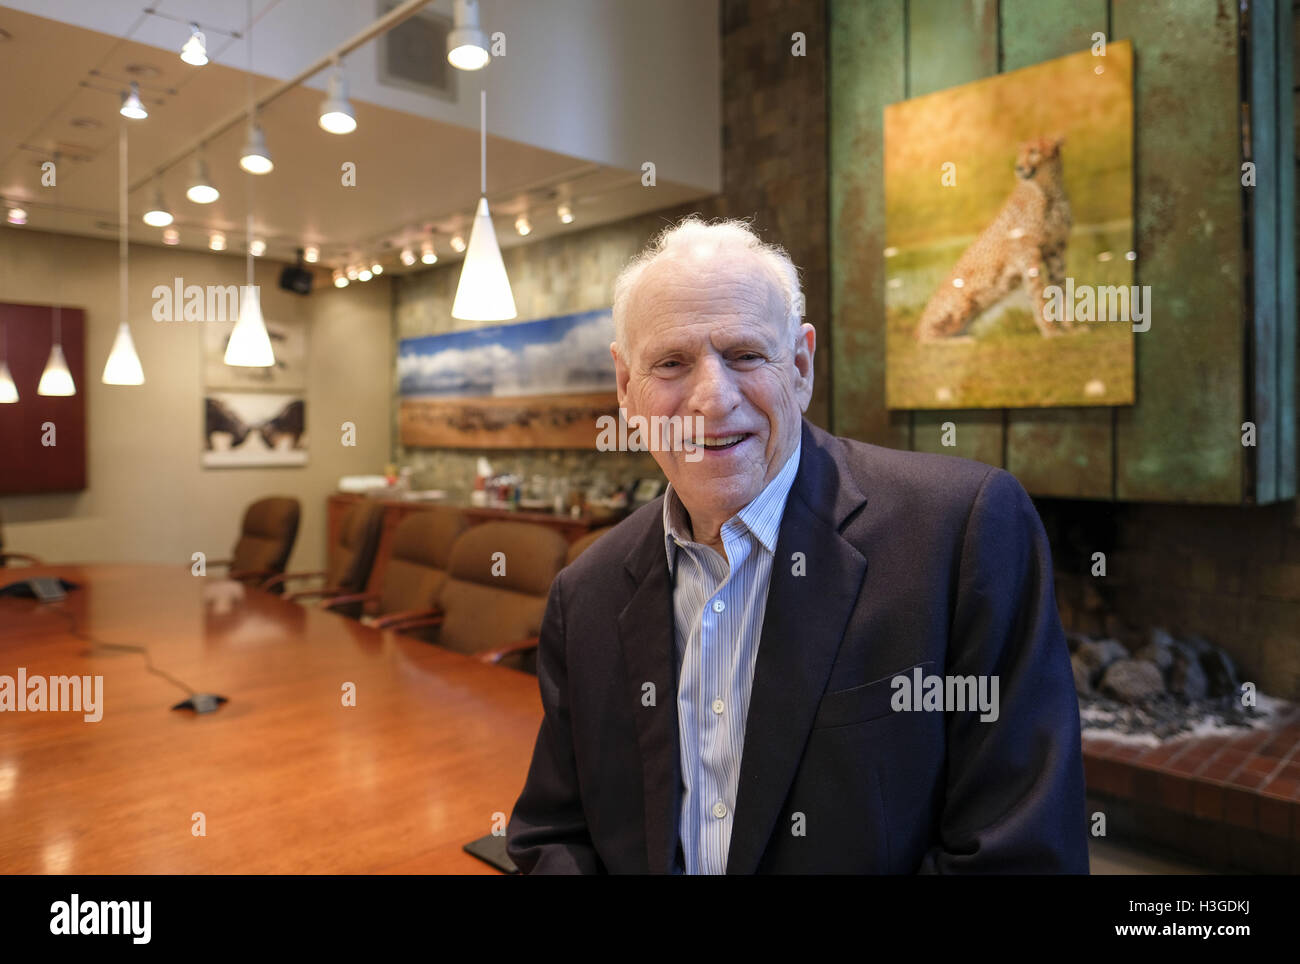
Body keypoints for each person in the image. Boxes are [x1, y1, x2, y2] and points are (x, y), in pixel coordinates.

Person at [506, 216, 1089, 873]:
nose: (712, 399)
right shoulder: (585, 593)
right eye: (671, 363)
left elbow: (1023, 857)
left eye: (745, 355)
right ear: (625, 388)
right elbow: (551, 835)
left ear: (801, 366)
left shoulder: (962, 533)